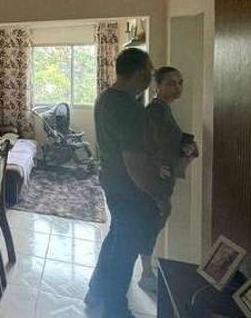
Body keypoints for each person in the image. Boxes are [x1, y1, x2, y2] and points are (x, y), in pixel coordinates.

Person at [86, 48, 169, 318]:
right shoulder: (128, 108)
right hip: (129, 188)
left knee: (115, 240)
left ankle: (95, 290)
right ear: (141, 73)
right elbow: (134, 163)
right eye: (150, 71)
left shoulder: (106, 97)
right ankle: (115, 310)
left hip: (112, 180)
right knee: (124, 252)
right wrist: (158, 194)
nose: (151, 77)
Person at [137, 66, 199, 292]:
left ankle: (147, 272)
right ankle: (146, 273)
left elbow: (166, 141)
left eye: (180, 82)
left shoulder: (164, 109)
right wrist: (157, 167)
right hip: (156, 182)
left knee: (154, 222)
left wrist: (186, 147)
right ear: (158, 85)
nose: (177, 87)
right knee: (151, 224)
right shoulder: (156, 111)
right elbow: (146, 143)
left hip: (165, 178)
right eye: (171, 83)